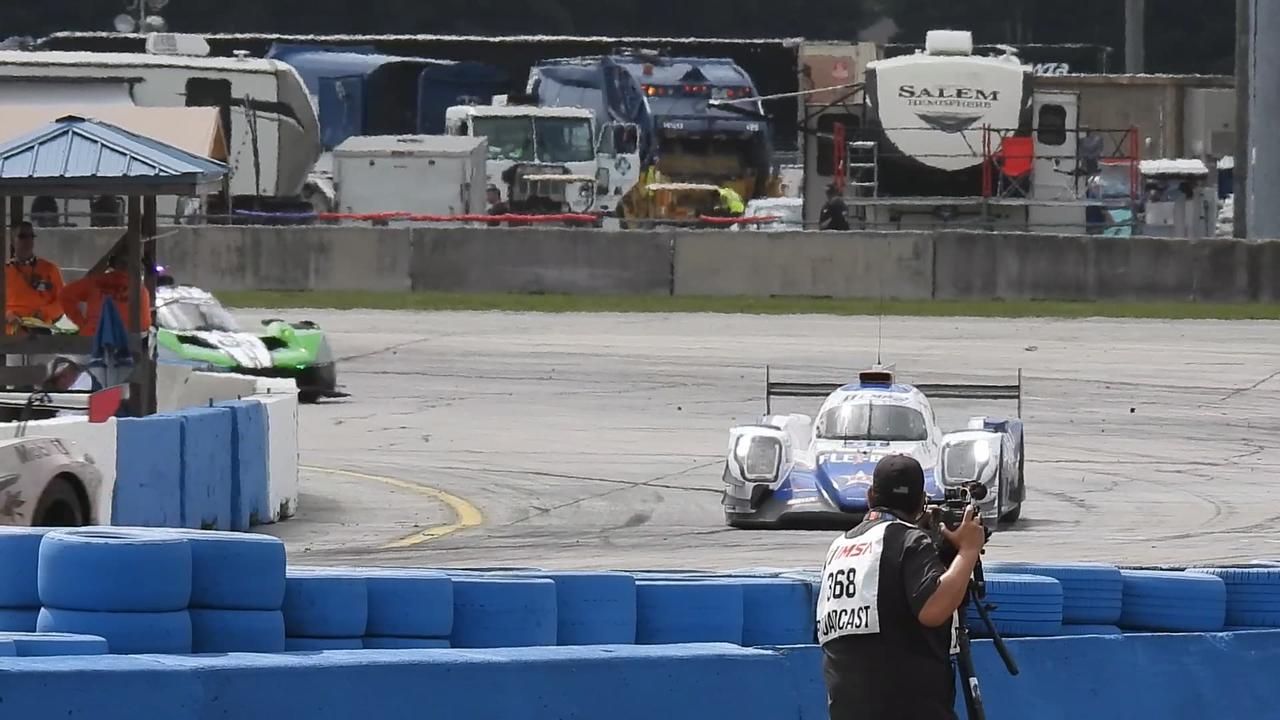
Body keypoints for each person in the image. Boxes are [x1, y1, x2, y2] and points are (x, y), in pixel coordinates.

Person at [816, 454, 988, 720]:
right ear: (922, 501)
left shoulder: (839, 547)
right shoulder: (908, 540)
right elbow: (933, 609)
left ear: (870, 496)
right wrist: (967, 550)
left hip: (846, 706)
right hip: (908, 705)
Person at [60, 246, 151, 337]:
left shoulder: (94, 281)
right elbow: (144, 325)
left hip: (91, 338)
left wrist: (81, 322)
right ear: (137, 266)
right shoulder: (141, 291)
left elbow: (64, 294)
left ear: (113, 263)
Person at [5, 221, 66, 333]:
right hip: (10, 332)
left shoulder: (50, 269)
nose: (28, 240)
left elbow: (63, 302)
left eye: (31, 236)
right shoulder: (4, 271)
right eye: (22, 236)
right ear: (13, 241)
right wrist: (8, 315)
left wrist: (44, 313)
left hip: (40, 331)